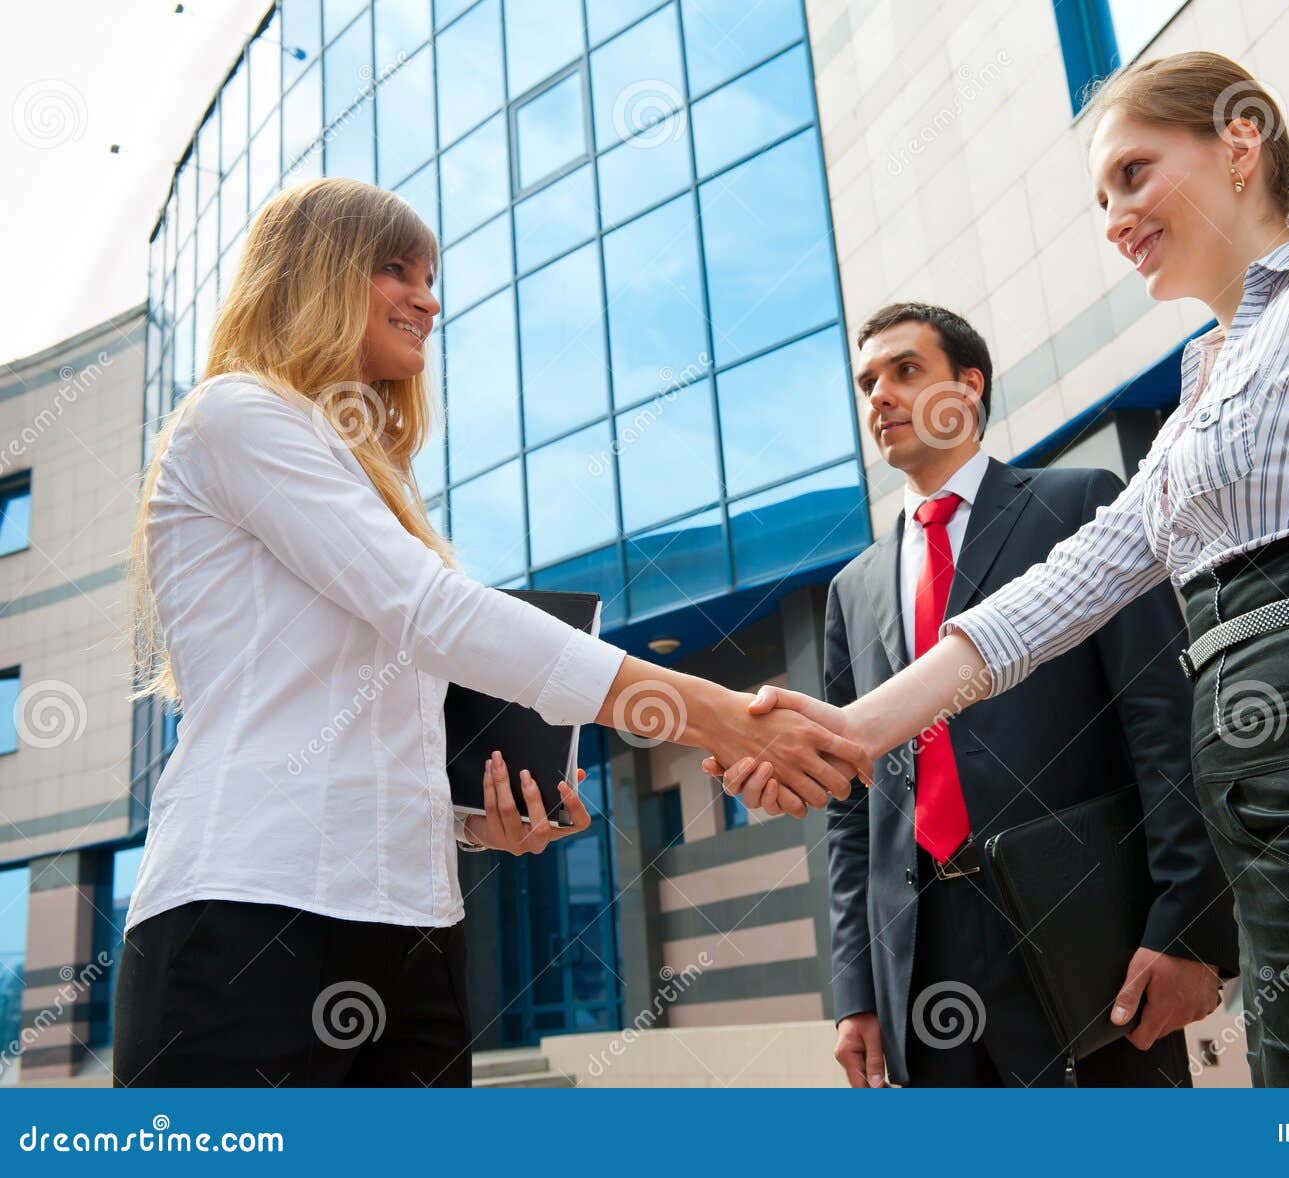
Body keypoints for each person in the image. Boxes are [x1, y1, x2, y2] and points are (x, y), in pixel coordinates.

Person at [712, 52, 1289, 1088]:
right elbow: (1051, 595)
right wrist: (849, 728)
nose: (1112, 216)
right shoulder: (1199, 388)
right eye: (1099, 197)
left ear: (1238, 141)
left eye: (1133, 174)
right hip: (1259, 815)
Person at [113, 177, 868, 1087]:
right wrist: (715, 717)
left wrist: (476, 820)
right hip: (246, 917)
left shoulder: (375, 478)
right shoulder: (236, 415)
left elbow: (385, 704)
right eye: (394, 270)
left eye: (430, 277)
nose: (428, 299)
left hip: (416, 927)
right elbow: (429, 612)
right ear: (310, 274)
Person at [710, 303, 1237, 1087]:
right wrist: (857, 990)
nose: (879, 396)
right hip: (921, 957)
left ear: (969, 385)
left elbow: (1164, 725)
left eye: (905, 371)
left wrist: (1190, 929)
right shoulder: (852, 591)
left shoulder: (1079, 508)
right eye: (867, 383)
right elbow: (853, 815)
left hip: (1080, 929)